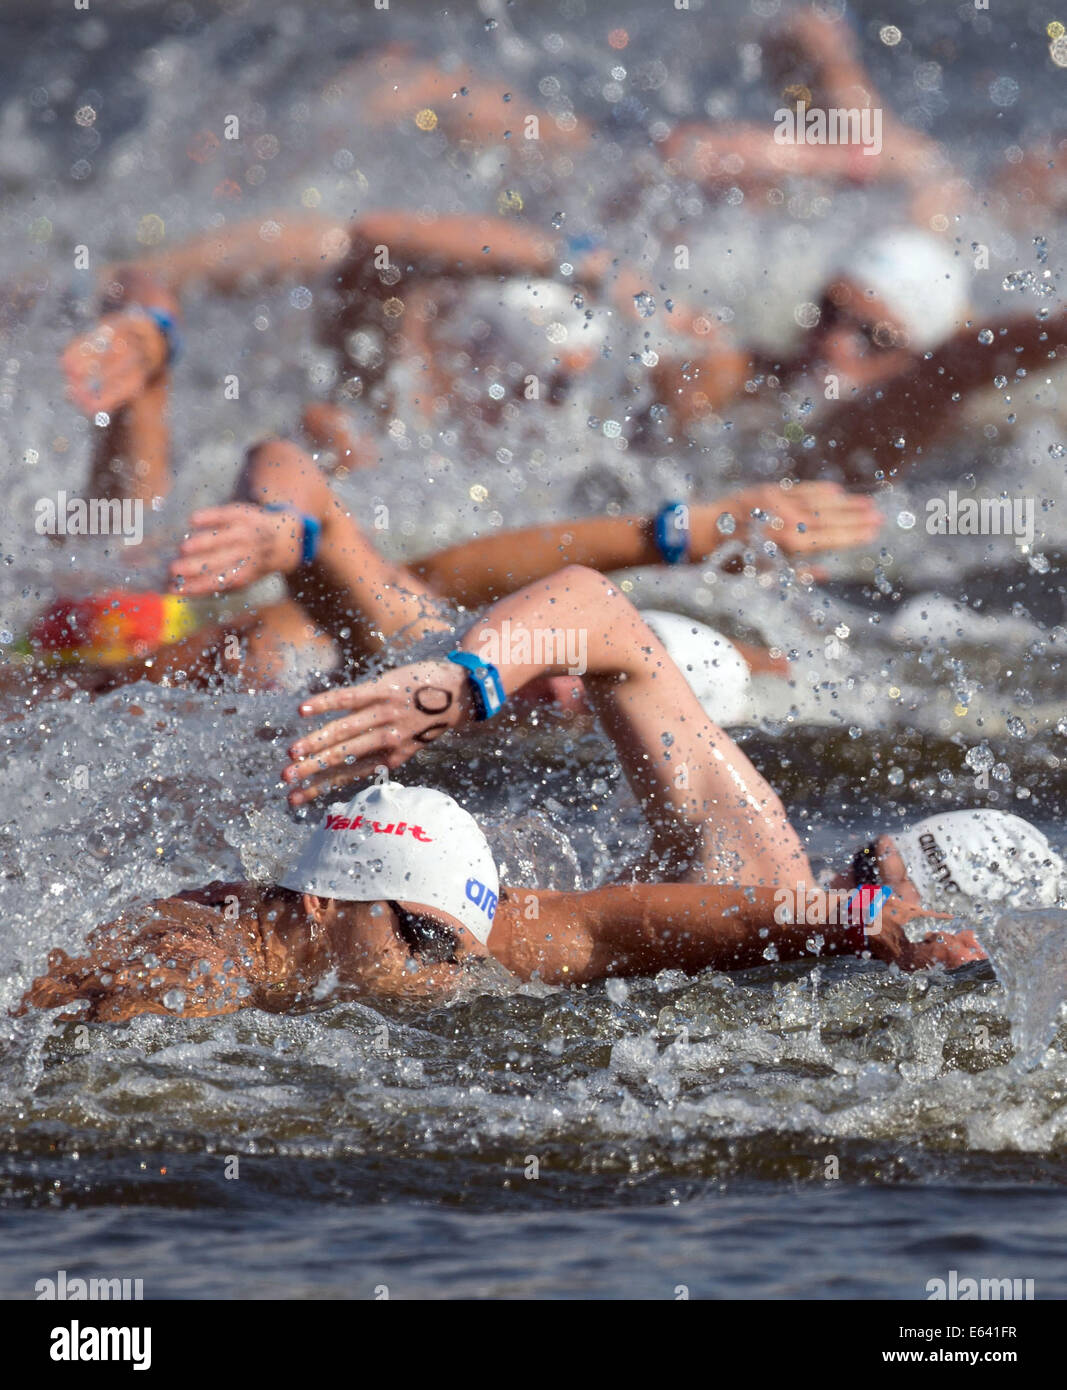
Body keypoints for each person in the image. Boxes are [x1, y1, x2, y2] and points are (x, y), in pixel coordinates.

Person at [17, 566, 989, 1024]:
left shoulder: (472, 935)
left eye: (875, 879)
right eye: (869, 867)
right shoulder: (193, 968)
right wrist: (462, 682)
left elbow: (607, 931)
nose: (453, 970)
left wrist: (854, 918)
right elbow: (596, 610)